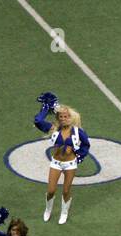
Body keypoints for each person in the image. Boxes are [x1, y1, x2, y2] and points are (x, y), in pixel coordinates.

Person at [32, 92, 90, 223]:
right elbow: (38, 121)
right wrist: (46, 107)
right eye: (61, 117)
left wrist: (79, 157)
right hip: (56, 162)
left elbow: (86, 145)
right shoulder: (53, 129)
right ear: (58, 118)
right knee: (51, 190)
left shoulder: (77, 131)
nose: (64, 119)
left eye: (66, 116)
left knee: (65, 191)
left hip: (70, 164)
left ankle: (64, 213)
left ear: (70, 118)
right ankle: (48, 210)